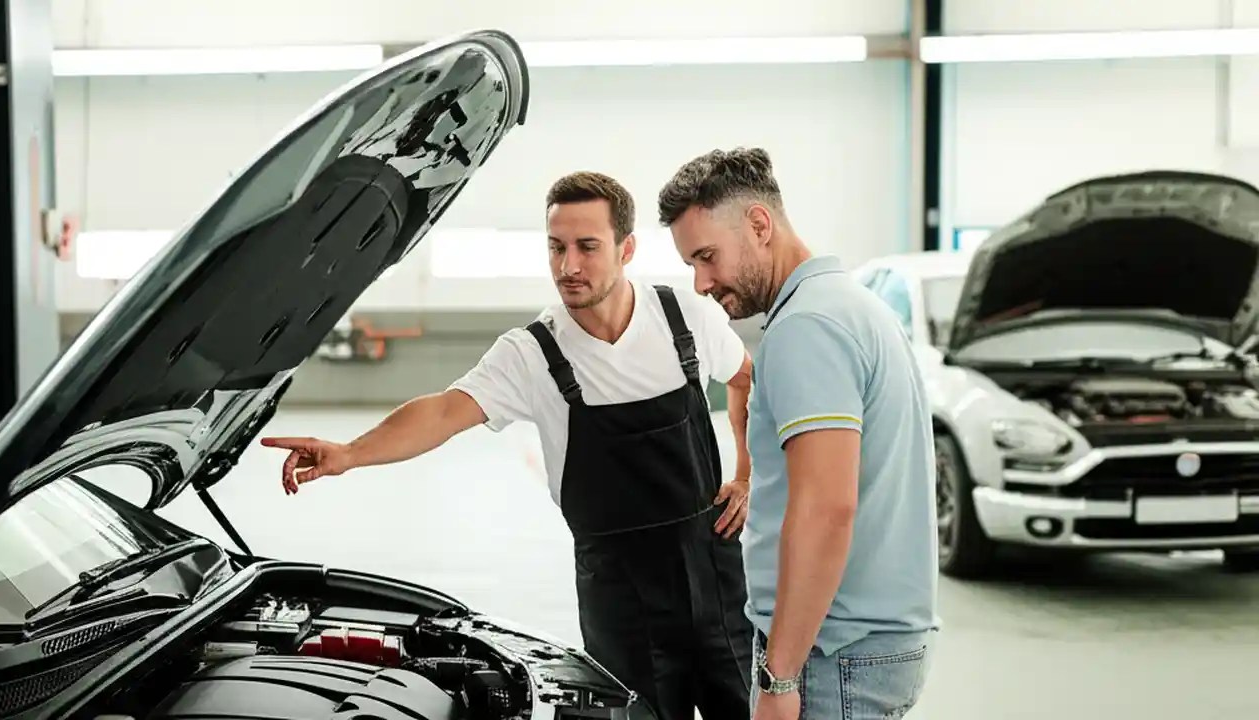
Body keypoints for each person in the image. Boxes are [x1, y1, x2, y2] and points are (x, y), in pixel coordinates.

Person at [261, 171, 757, 720]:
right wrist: (350, 453)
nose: (569, 266)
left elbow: (745, 379)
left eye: (588, 247)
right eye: (556, 247)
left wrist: (747, 472)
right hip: (621, 603)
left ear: (627, 248)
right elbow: (446, 411)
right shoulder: (531, 354)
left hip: (715, 585)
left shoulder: (685, 319)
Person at [655, 147, 940, 720]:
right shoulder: (851, 304)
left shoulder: (806, 328)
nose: (701, 282)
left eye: (707, 257)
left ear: (759, 225)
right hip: (867, 640)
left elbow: (826, 508)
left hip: (833, 653)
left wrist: (780, 677)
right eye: (691, 264)